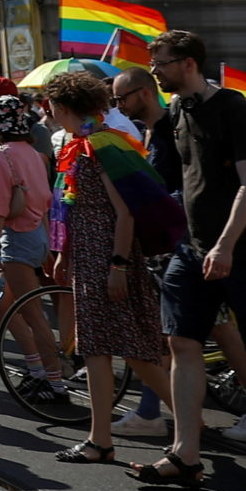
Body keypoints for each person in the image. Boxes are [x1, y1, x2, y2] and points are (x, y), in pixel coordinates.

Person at [133, 29, 246, 491]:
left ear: (188, 62)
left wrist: (225, 245)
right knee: (182, 342)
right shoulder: (176, 112)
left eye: (162, 62)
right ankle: (185, 454)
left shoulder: (233, 108)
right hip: (192, 249)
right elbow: (169, 181)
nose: (155, 70)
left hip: (244, 250)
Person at [36, 70, 179, 463]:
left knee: (119, 350)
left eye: (52, 107)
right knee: (112, 350)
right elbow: (76, 204)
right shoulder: (84, 143)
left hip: (106, 260)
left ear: (62, 108)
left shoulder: (99, 146)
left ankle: (113, 438)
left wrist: (117, 265)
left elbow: (125, 211)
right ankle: (108, 437)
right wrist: (66, 253)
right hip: (90, 258)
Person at [0, 95, 61, 393]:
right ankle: (37, 369)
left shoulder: (0, 154)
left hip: (15, 240)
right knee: (6, 308)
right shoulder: (33, 153)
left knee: (31, 313)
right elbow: (45, 200)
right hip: (36, 236)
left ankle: (53, 381)